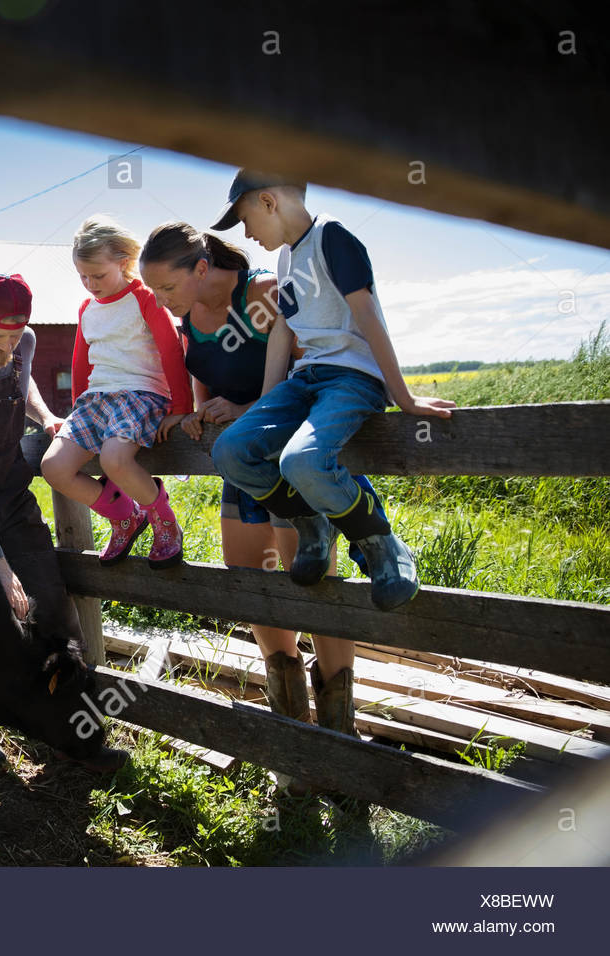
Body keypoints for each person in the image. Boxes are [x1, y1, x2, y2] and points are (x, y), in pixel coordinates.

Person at [139, 220, 388, 788]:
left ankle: (340, 740)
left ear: (200, 269)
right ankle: (294, 746)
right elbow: (204, 388)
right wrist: (196, 412)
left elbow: (312, 373)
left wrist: (244, 404)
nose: (160, 301)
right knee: (251, 580)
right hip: (242, 465)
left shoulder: (264, 294)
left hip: (290, 453)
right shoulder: (187, 321)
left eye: (166, 288)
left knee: (314, 587)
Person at [207, 169, 454, 617]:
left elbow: (369, 318)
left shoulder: (332, 237)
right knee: (231, 451)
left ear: (268, 202)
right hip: (306, 378)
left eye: (246, 220)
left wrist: (405, 397)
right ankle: (312, 524)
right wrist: (262, 406)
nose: (246, 234)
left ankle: (381, 544)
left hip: (351, 377)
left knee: (301, 460)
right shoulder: (285, 259)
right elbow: (282, 332)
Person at [0, 272, 128, 775]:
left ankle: (72, 739)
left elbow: (23, 378)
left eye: (15, 336)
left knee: (53, 609)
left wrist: (45, 417)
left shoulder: (23, 342)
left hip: (10, 493)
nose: (6, 346)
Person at [40, 216, 195, 569]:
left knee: (114, 459)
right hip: (95, 401)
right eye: (83, 276)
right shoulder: (86, 309)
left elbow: (171, 349)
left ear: (123, 263)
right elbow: (80, 364)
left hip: (140, 394)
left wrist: (181, 406)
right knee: (53, 466)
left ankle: (163, 519)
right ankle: (125, 517)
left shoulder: (144, 297)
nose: (90, 284)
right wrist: (77, 413)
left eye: (98, 275)